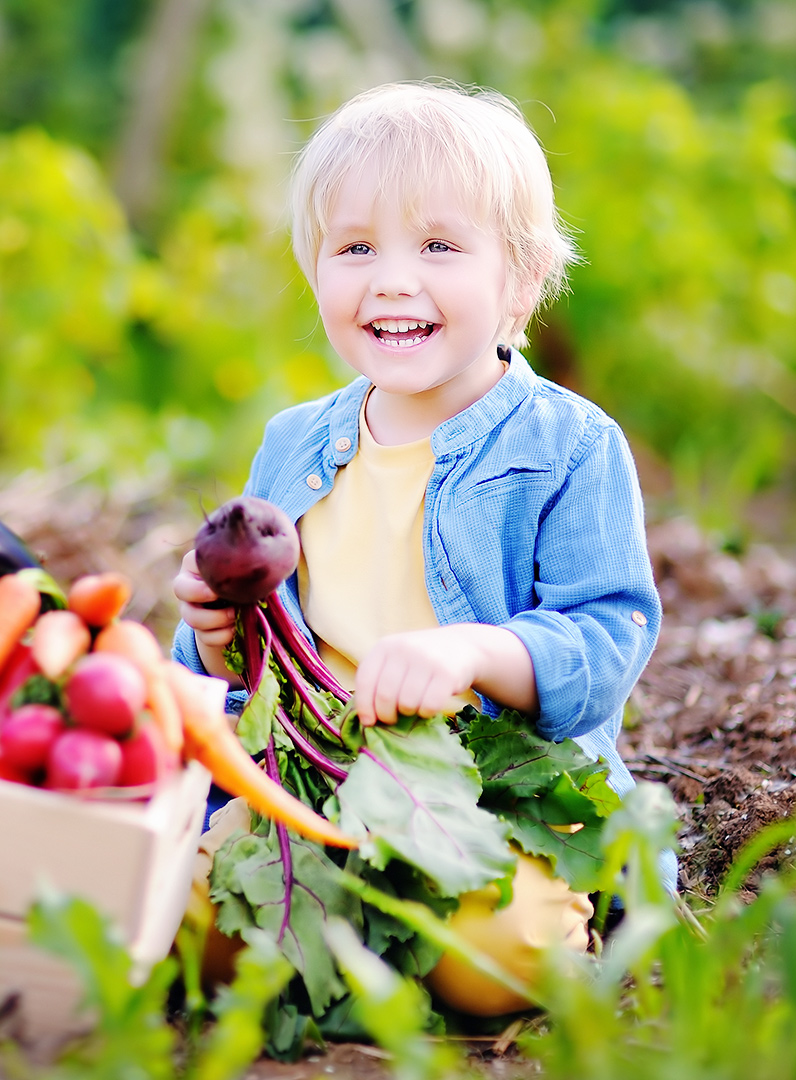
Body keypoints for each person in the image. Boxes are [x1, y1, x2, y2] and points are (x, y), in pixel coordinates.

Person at [170, 80, 666, 1007]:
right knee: (187, 925)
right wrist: (208, 632)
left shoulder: (568, 446)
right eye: (355, 248)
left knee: (507, 955)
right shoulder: (294, 445)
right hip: (311, 783)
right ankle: (360, 933)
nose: (393, 279)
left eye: (439, 246)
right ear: (316, 271)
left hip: (486, 793)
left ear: (519, 279)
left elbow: (607, 636)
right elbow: (243, 670)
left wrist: (475, 651)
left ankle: (420, 941)